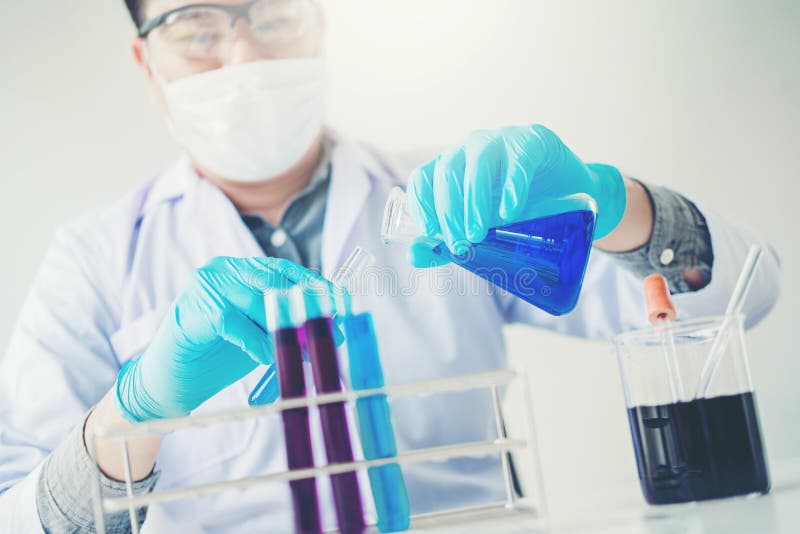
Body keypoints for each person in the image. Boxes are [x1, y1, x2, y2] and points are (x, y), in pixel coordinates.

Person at [0, 0, 781, 532]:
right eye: (195, 25)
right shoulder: (96, 258)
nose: (244, 54)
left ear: (319, 24)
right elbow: (20, 514)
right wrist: (133, 414)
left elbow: (737, 302)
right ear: (146, 62)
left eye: (273, 15)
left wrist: (611, 206)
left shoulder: (458, 202)